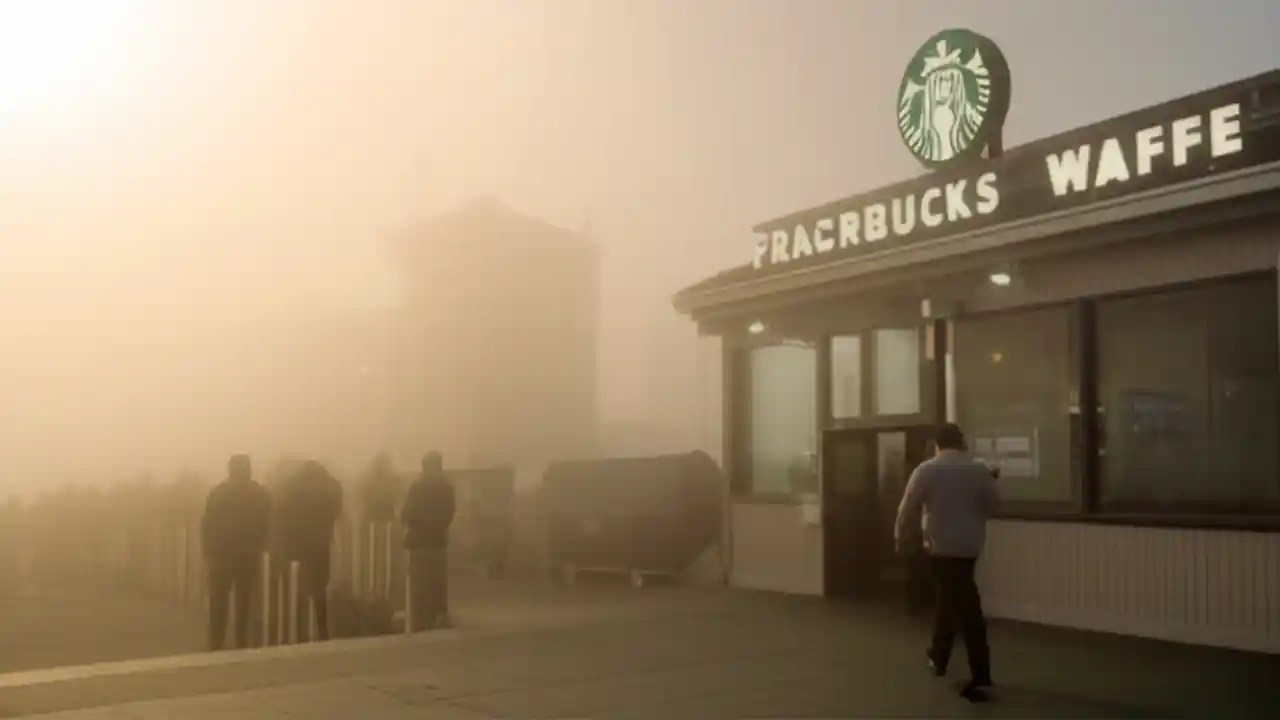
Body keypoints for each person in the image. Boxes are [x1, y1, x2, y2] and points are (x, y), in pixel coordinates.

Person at [894, 423, 999, 703]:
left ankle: (977, 670)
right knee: (951, 601)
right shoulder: (979, 470)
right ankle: (939, 656)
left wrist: (901, 539)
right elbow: (994, 506)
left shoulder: (926, 470)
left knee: (961, 606)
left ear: (936, 445)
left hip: (940, 549)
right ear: (962, 442)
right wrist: (990, 481)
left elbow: (907, 508)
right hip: (969, 548)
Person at [201, 454, 271, 651]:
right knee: (244, 602)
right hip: (247, 556)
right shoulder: (260, 494)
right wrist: (260, 544)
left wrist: (208, 551)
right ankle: (242, 641)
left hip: (221, 556)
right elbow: (267, 523)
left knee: (218, 602)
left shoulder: (218, 493)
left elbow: (207, 524)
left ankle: (216, 641)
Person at [276, 460, 343, 642]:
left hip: (299, 547)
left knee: (299, 591)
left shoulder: (294, 490)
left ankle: (298, 632)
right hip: (321, 545)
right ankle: (322, 631)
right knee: (319, 589)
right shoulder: (329, 490)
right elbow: (336, 511)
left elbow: (283, 515)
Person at [401, 451, 455, 631]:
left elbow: (406, 513)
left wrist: (417, 524)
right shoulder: (447, 487)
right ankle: (439, 615)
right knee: (438, 582)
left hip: (419, 542)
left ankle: (419, 620)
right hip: (438, 542)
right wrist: (438, 526)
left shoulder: (417, 487)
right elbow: (450, 513)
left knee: (418, 583)